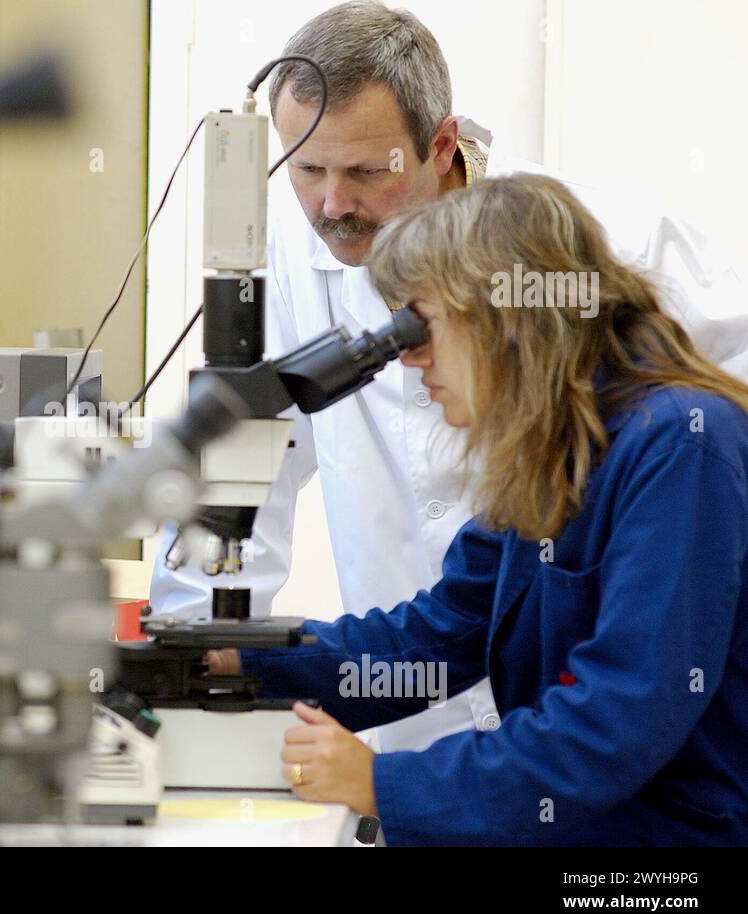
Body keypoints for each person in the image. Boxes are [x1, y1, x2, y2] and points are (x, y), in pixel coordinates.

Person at [150, 0, 748, 755]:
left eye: (366, 171)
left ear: (441, 144)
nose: (332, 205)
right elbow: (445, 629)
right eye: (307, 170)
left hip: (615, 756)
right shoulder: (290, 266)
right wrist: (199, 661)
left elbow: (712, 439)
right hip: (433, 729)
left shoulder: (591, 253)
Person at [209, 173, 748, 845]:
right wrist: (238, 659)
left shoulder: (680, 444)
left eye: (422, 325)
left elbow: (618, 719)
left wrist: (384, 784)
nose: (410, 362)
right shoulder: (559, 453)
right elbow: (438, 637)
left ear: (508, 321)